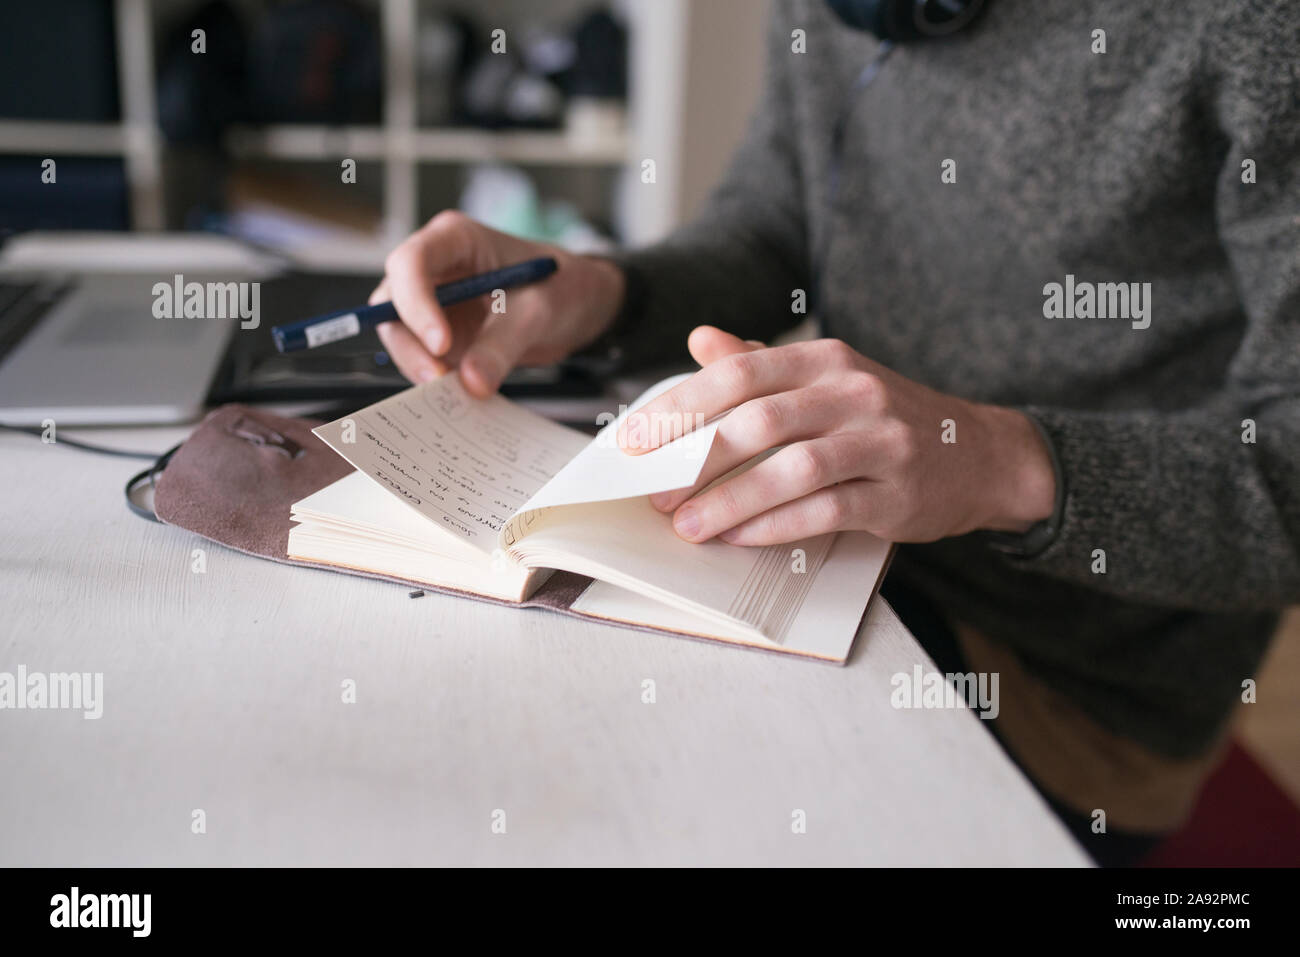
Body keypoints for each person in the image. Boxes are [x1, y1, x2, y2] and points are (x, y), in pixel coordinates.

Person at [369, 0, 1299, 866]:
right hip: (846, 546)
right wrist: (602, 295)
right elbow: (776, 227)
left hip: (1078, 677)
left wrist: (995, 462)